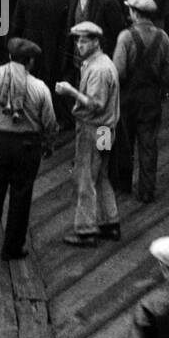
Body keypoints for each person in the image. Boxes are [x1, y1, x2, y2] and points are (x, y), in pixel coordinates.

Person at [0, 38, 58, 259]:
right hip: (27, 146)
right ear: (30, 62)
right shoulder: (40, 88)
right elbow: (49, 122)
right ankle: (12, 248)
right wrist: (48, 144)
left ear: (10, 58)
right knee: (21, 196)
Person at [57, 21, 121, 247]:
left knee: (85, 178)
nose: (78, 45)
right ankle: (110, 222)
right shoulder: (102, 63)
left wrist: (70, 91)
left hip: (93, 130)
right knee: (101, 174)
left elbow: (95, 103)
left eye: (84, 40)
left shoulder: (98, 70)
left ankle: (86, 230)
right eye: (77, 40)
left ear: (96, 41)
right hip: (105, 130)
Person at [114, 0, 169, 203]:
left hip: (128, 98)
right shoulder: (163, 37)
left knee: (125, 142)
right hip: (151, 98)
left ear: (134, 13)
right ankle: (147, 190)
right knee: (149, 144)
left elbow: (118, 72)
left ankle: (123, 184)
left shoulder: (125, 37)